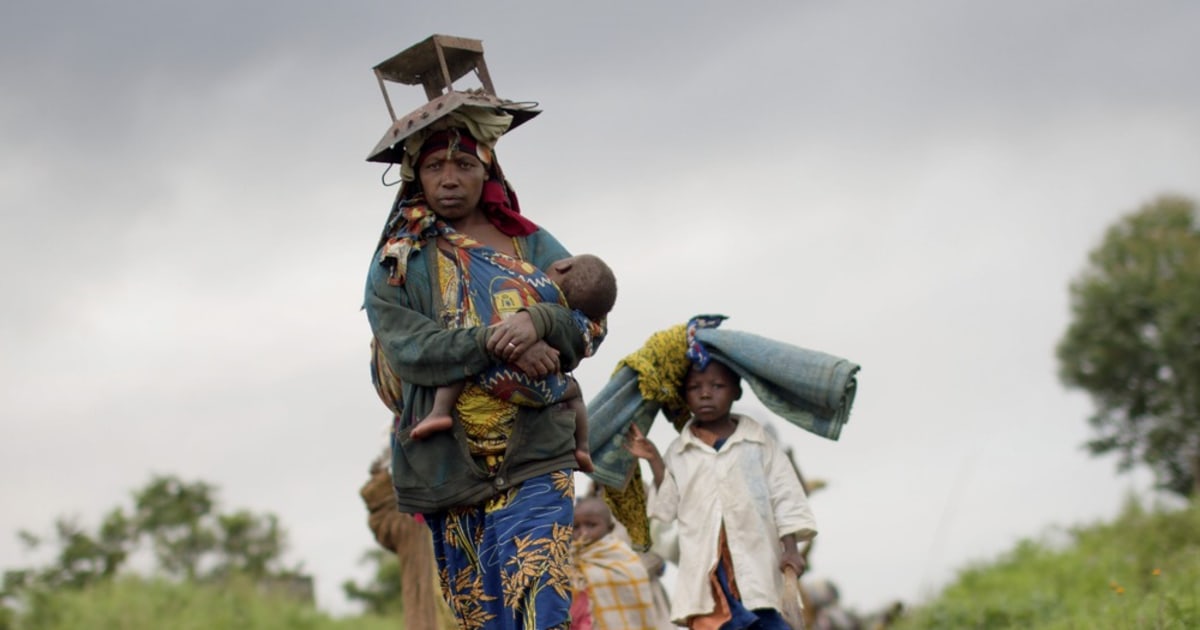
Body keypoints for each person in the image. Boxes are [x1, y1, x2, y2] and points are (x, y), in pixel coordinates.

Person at [364, 114, 601, 629]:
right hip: (447, 467)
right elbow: (409, 349)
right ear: (416, 177)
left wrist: (539, 320)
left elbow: (590, 318)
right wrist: (504, 344)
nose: (450, 178)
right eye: (434, 166)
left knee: (542, 605)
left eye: (464, 164)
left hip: (538, 450)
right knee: (484, 619)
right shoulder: (399, 261)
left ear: (487, 170)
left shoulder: (531, 244)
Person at [626, 358, 817, 629]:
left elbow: (785, 497)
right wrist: (654, 459)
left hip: (758, 567)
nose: (706, 393)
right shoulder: (679, 453)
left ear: (736, 391)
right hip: (708, 576)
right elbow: (668, 506)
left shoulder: (759, 443)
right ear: (684, 396)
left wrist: (791, 550)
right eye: (695, 387)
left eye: (717, 386)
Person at [409, 252, 617, 474]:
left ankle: (439, 411)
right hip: (544, 386)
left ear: (563, 266)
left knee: (465, 362)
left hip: (496, 374)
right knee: (575, 393)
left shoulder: (530, 289)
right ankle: (583, 447)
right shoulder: (578, 325)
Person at [569, 496, 660, 629]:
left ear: (610, 527)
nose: (583, 532)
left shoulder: (624, 558)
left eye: (591, 525)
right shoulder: (568, 559)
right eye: (576, 527)